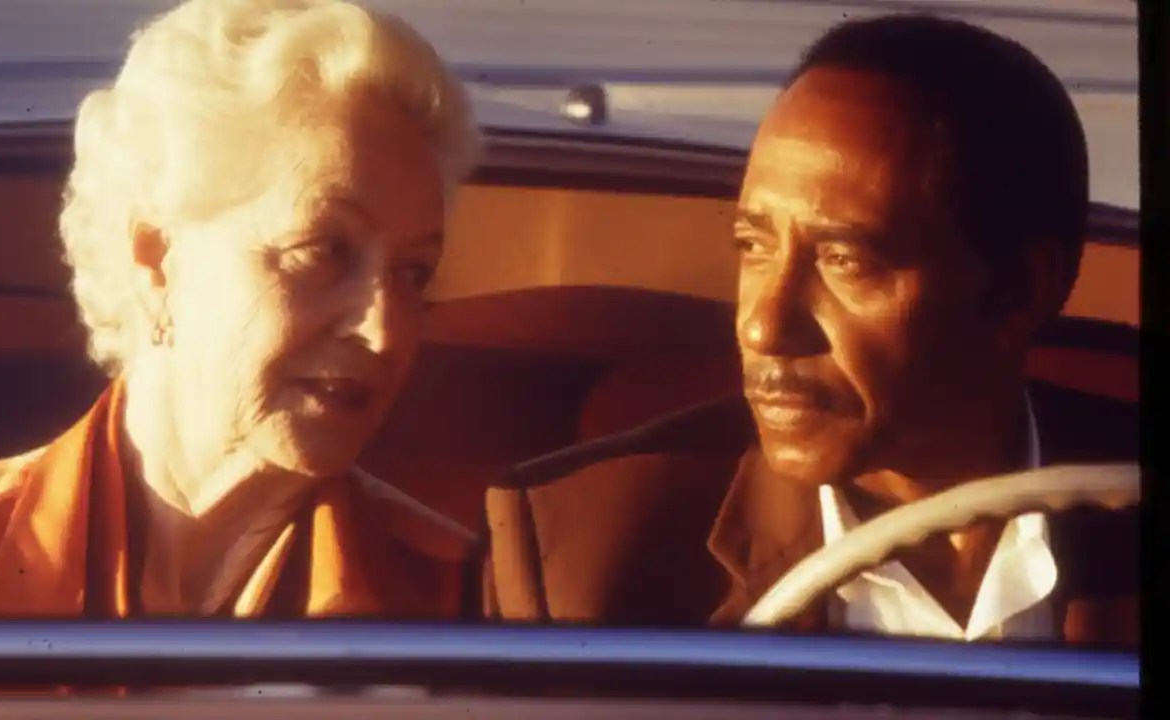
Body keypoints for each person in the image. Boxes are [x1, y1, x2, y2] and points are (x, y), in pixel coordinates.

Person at [483, 14, 1138, 645]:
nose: (764, 327)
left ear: (1017, 291)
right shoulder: (584, 559)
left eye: (844, 260)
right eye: (753, 245)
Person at [0, 0, 483, 620]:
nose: (385, 329)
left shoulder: (463, 606)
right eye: (324, 251)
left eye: (413, 273)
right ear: (156, 258)